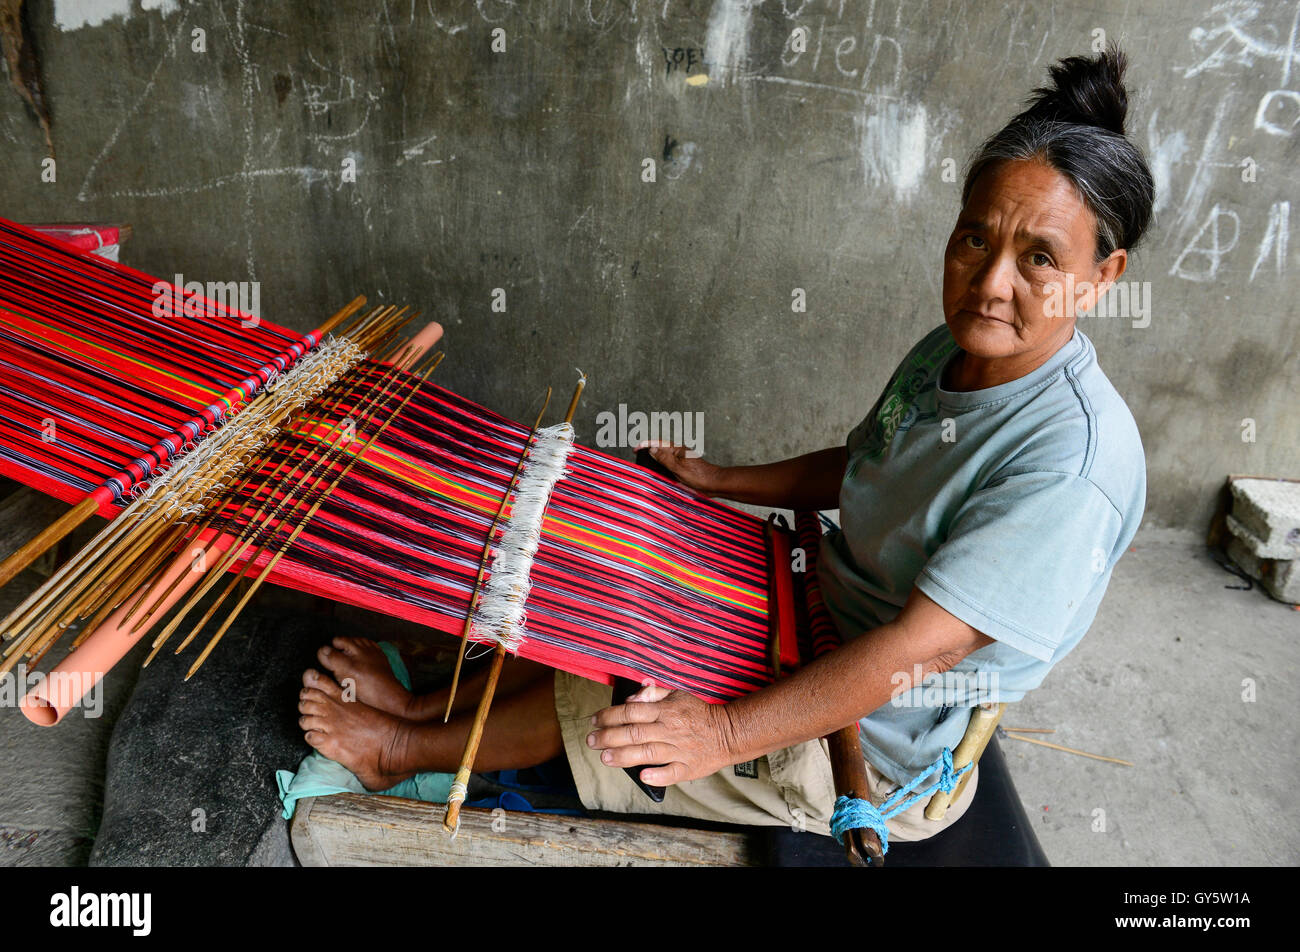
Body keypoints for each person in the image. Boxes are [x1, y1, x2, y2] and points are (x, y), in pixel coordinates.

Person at [298, 46, 1153, 843]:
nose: (991, 281)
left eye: (1038, 258)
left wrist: (725, 729)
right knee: (617, 560)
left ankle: (398, 752)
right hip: (817, 602)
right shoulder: (958, 351)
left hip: (876, 734)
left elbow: (916, 652)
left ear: (1102, 277)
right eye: (976, 237)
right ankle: (431, 711)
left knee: (622, 677)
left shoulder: (1069, 469)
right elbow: (870, 468)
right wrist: (716, 483)